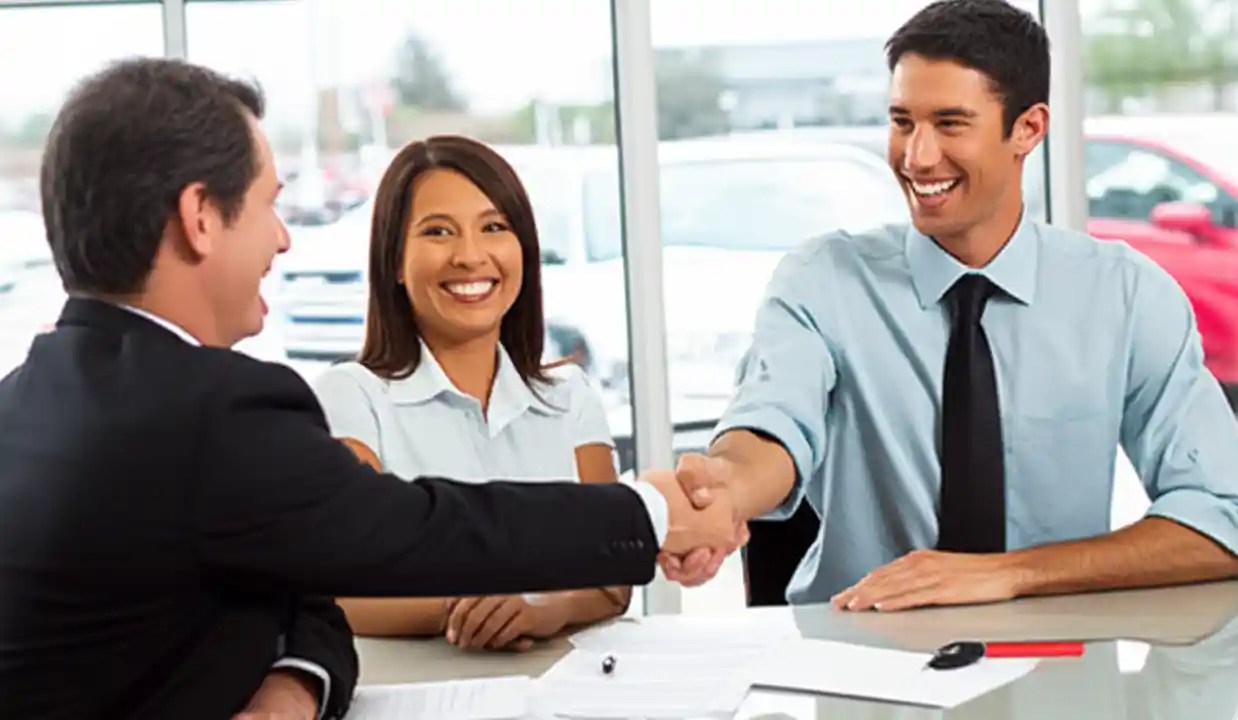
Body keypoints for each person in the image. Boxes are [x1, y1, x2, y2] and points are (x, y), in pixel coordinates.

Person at [0, 58, 739, 720]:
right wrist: (655, 509)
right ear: (200, 220)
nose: (283, 238)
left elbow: (309, 598)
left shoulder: (23, 405)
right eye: (268, 205)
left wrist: (290, 690)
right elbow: (415, 532)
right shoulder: (213, 410)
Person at [663, 0, 1238, 610]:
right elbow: (772, 426)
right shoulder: (825, 280)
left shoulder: (1126, 296)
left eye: (949, 124)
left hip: (1057, 671)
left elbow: (1222, 524)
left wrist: (1013, 573)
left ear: (1027, 129)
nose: (916, 157)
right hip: (864, 664)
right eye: (902, 122)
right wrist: (723, 492)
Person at [311, 135, 630, 650]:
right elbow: (340, 586)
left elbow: (613, 576)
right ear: (394, 260)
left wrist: (548, 607)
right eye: (438, 232)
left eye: (494, 228)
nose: (470, 256)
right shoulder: (351, 396)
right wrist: (475, 608)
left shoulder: (568, 395)